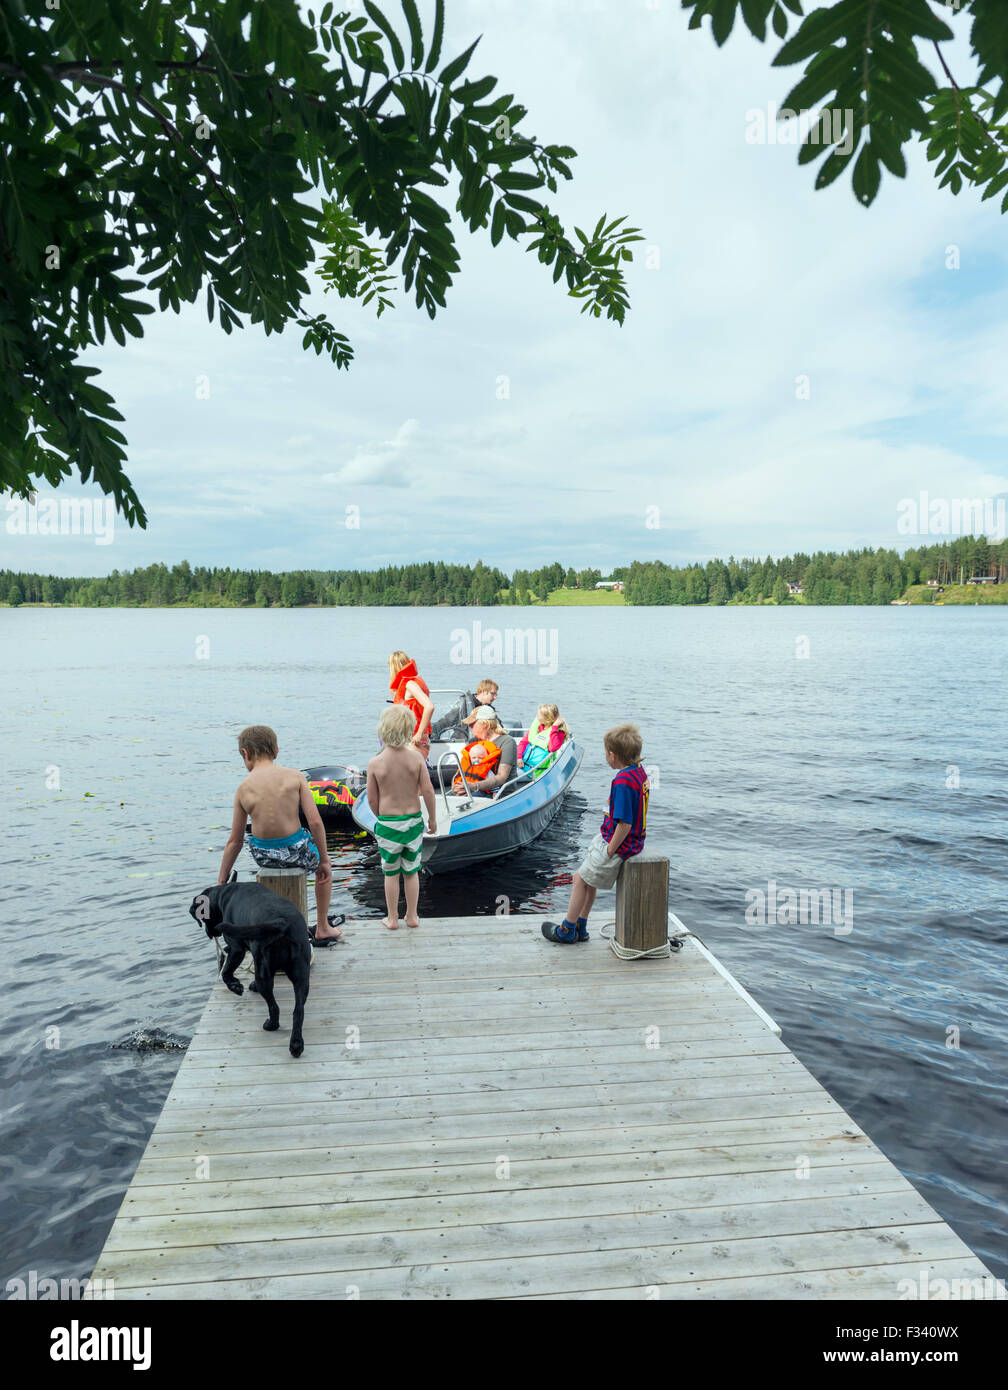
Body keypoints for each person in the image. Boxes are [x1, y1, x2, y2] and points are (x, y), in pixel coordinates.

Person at [217, 725, 342, 943]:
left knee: (257, 843)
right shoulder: (295, 777)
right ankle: (322, 926)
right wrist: (324, 859)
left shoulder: (243, 789)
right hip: (297, 853)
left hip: (264, 856)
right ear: (276, 750)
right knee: (324, 873)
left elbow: (234, 841)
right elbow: (314, 822)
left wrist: (221, 881)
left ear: (245, 753)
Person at [542, 723, 649, 944]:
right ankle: (580, 925)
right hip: (629, 840)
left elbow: (625, 823)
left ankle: (567, 929)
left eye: (606, 753)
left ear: (613, 755)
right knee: (586, 880)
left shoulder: (623, 781)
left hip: (619, 843)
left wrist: (610, 850)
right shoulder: (638, 772)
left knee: (579, 879)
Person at [367, 706, 437, 929]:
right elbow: (427, 791)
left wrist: (381, 817)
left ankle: (392, 917)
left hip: (388, 823)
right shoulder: (416, 758)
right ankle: (413, 916)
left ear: (383, 730)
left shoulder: (375, 763)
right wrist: (432, 819)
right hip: (413, 821)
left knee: (390, 872)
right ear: (409, 730)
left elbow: (371, 799)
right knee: (411, 870)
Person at [454, 707, 517, 795]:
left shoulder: (507, 742)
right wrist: (458, 787)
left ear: (484, 724)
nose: (469, 726)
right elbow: (464, 769)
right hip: (472, 788)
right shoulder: (473, 742)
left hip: (500, 793)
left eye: (472, 724)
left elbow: (501, 777)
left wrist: (474, 786)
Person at [388, 651, 434, 758]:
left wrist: (418, 733)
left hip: (415, 741)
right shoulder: (413, 682)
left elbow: (429, 706)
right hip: (412, 740)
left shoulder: (410, 684)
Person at [430, 677, 500, 742]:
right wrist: (432, 734)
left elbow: (498, 725)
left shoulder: (489, 709)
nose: (495, 697)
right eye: (493, 694)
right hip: (462, 741)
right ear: (484, 692)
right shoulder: (464, 705)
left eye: (496, 694)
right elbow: (446, 721)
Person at [517, 703, 569, 772]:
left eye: (539, 715)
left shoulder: (558, 732)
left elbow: (553, 748)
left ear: (547, 719)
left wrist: (554, 728)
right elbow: (523, 742)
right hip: (522, 765)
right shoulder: (537, 727)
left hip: (536, 772)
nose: (536, 716)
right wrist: (519, 757)